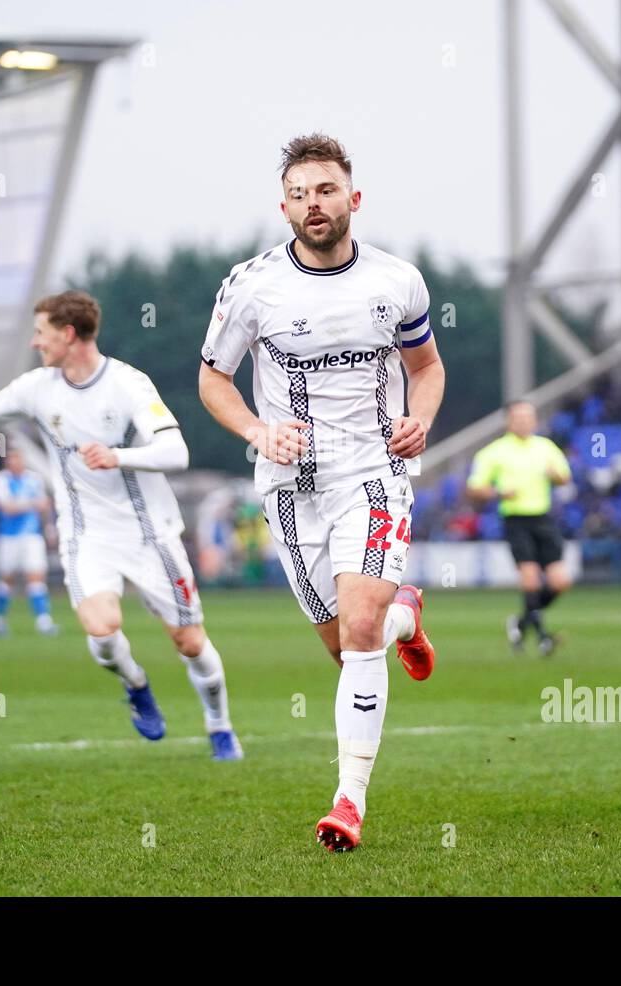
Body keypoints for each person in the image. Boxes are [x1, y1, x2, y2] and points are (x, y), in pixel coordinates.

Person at [198, 133, 445, 850]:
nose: (314, 204)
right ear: (284, 207)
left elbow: (427, 367)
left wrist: (419, 421)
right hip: (289, 483)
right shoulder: (250, 285)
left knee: (360, 632)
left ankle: (348, 801)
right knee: (346, 648)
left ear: (353, 199)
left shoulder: (398, 281)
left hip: (373, 470)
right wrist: (255, 430)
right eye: (301, 194)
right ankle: (407, 618)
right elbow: (212, 378)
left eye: (327, 190)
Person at [0, 291, 242, 761]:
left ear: (68, 334)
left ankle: (219, 726)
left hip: (151, 533)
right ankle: (136, 685)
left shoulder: (128, 384)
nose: (35, 343)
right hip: (85, 536)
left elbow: (177, 453)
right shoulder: (37, 388)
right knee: (102, 628)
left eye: (41, 332)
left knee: (190, 642)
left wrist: (119, 456)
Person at [467, 401, 573, 656]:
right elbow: (474, 488)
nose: (524, 422)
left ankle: (521, 622)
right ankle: (543, 637)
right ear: (509, 421)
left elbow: (564, 477)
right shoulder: (494, 452)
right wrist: (498, 492)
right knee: (530, 579)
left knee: (560, 581)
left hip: (543, 519)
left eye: (528, 417)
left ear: (535, 420)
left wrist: (554, 475)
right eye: (518, 417)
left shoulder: (545, 447)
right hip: (516, 520)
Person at [0, 447, 58, 637]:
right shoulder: (0, 480)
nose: (15, 463)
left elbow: (45, 506)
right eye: (12, 459)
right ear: (7, 462)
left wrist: (50, 529)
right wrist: (32, 504)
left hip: (32, 535)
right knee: (7, 579)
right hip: (8, 536)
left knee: (36, 577)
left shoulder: (34, 479)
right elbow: (7, 508)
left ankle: (44, 621)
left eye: (18, 459)